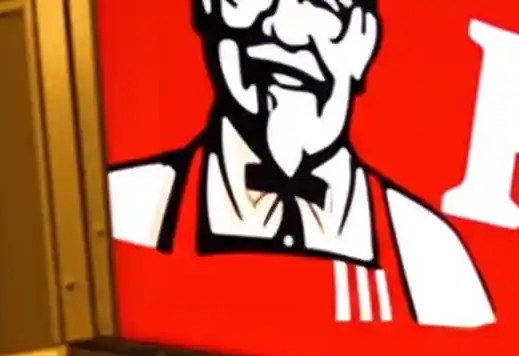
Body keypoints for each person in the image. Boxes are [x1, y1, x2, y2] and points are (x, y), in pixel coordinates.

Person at [108, 0, 495, 329]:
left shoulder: (429, 256)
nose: (286, 30)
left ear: (364, 42)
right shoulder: (125, 211)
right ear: (209, 10)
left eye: (324, 4)